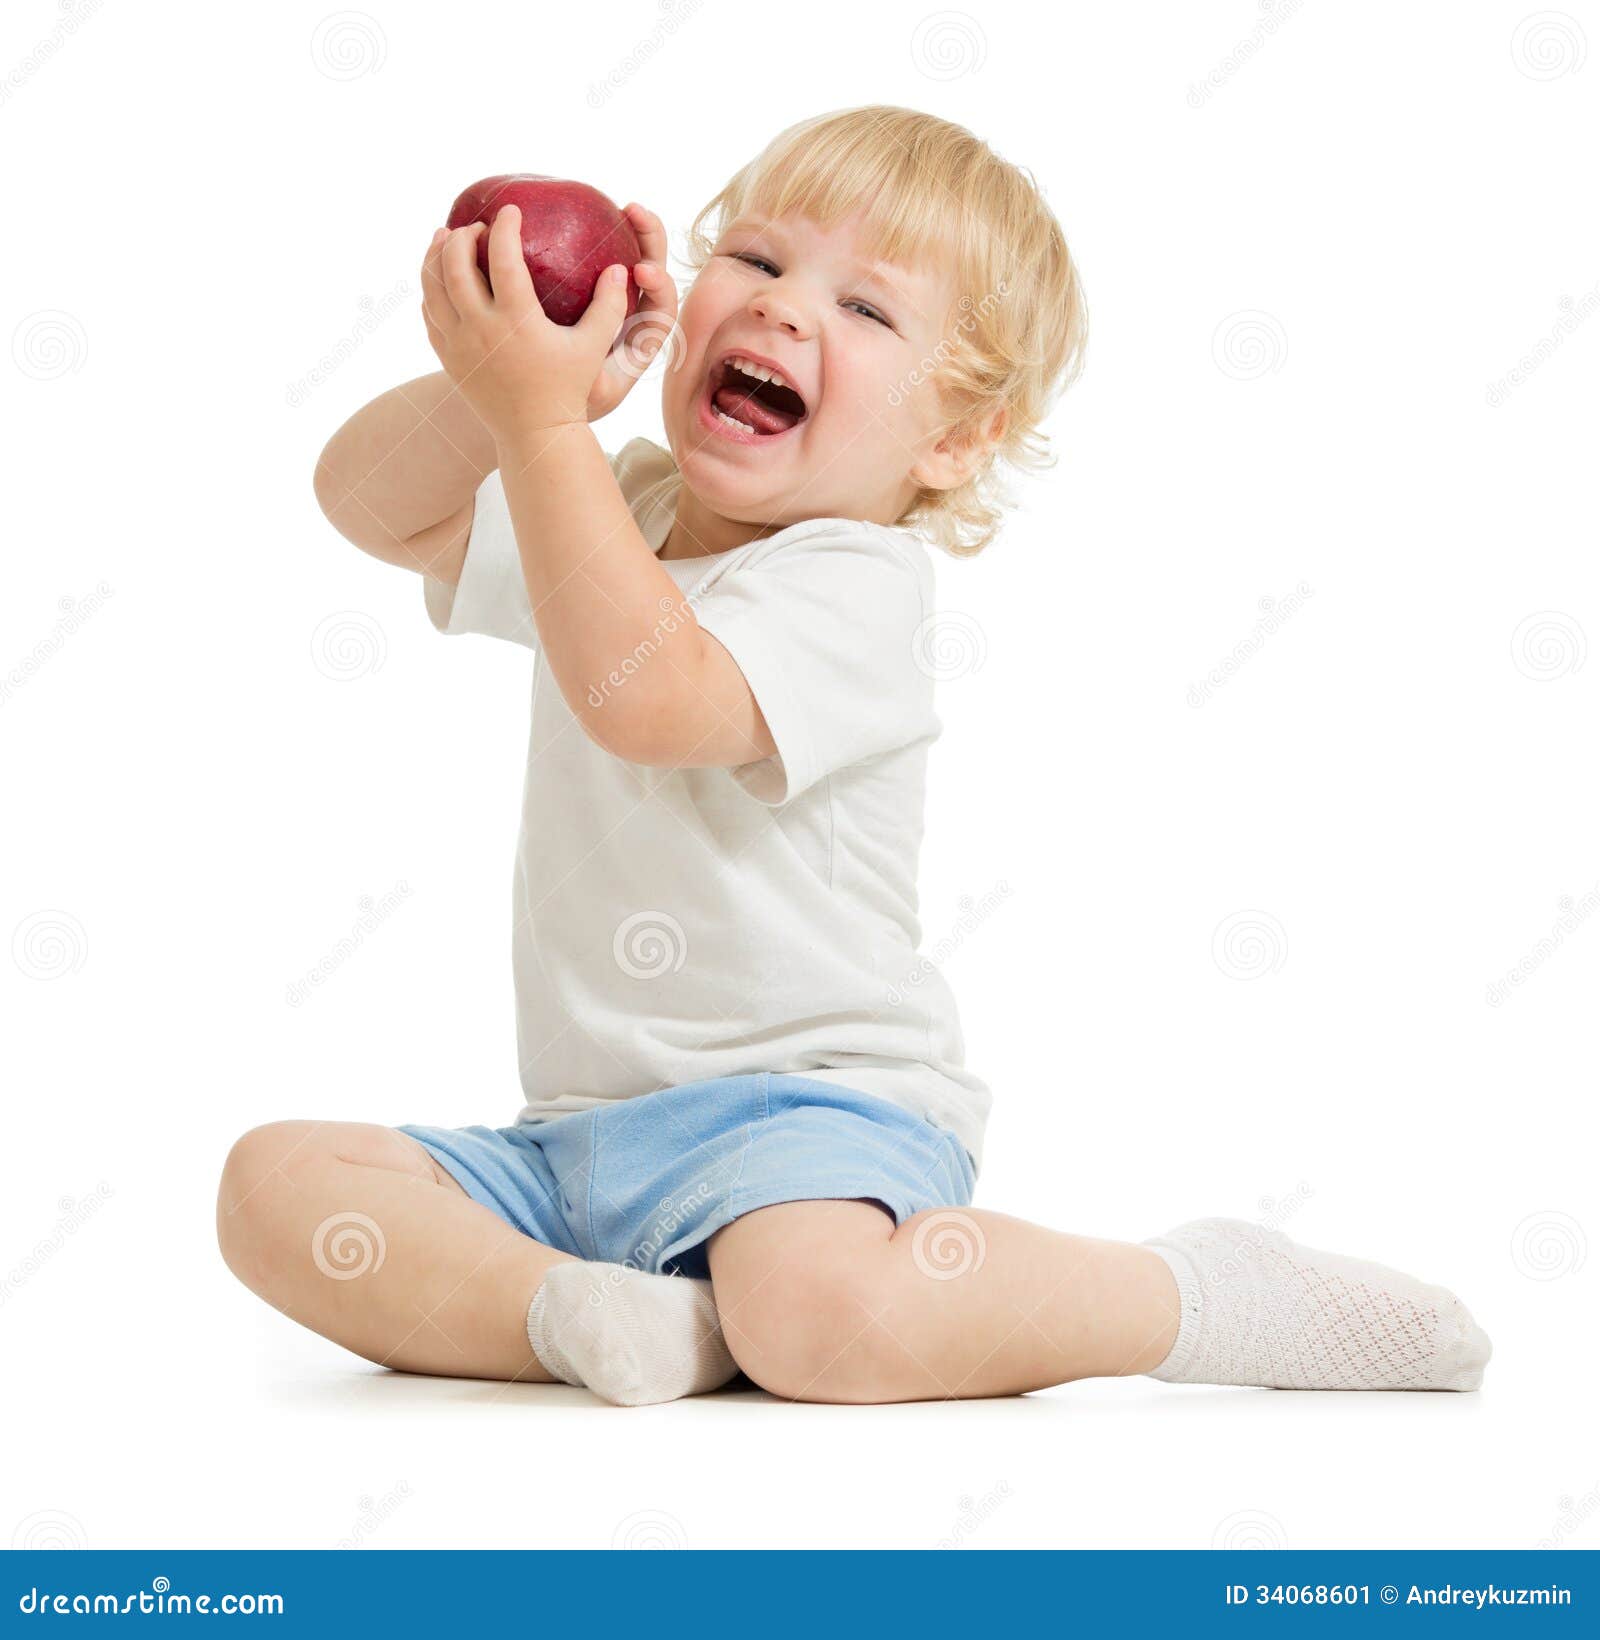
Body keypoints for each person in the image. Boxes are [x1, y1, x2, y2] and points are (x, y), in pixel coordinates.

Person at [217, 106, 1491, 1406]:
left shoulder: (855, 582)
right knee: (279, 1189)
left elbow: (644, 694)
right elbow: (376, 506)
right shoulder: (618, 507)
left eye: (868, 312)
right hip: (577, 1146)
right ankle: (594, 1315)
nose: (781, 313)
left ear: (954, 438)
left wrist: (543, 437)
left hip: (809, 1126)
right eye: (757, 262)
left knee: (826, 1322)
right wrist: (502, 391)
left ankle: (1191, 1296)